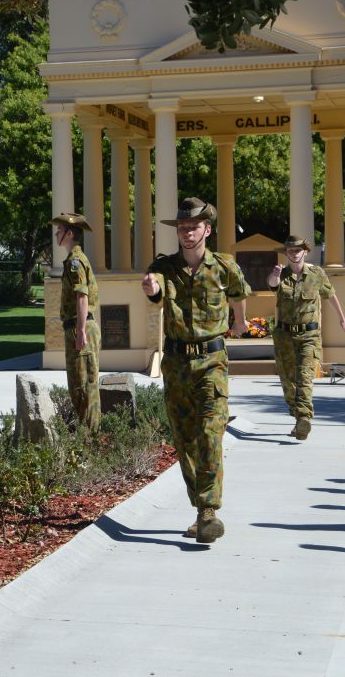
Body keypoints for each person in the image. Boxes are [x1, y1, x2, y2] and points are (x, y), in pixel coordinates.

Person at [141, 197, 250, 545]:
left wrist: (241, 319)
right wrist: (152, 289)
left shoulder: (224, 266)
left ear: (208, 229)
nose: (188, 232)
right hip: (176, 365)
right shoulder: (164, 266)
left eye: (194, 226)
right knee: (185, 440)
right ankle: (200, 509)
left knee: (210, 431)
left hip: (212, 363)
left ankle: (208, 511)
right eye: (183, 228)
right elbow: (155, 287)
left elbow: (239, 292)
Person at [267, 235, 345, 440]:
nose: (294, 253)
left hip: (309, 335)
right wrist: (275, 275)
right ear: (285, 253)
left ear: (305, 252)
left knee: (304, 377)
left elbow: (330, 295)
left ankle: (304, 417)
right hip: (284, 335)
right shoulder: (281, 274)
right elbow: (272, 285)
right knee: (288, 381)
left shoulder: (316, 273)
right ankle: (298, 420)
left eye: (297, 250)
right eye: (290, 250)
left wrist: (342, 318)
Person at [51, 214, 100, 431]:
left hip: (81, 327)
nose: (56, 234)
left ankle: (90, 438)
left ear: (69, 234)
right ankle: (87, 435)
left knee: (84, 387)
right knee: (78, 386)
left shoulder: (75, 262)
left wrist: (80, 331)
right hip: (77, 326)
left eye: (59, 231)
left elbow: (82, 296)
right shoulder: (73, 259)